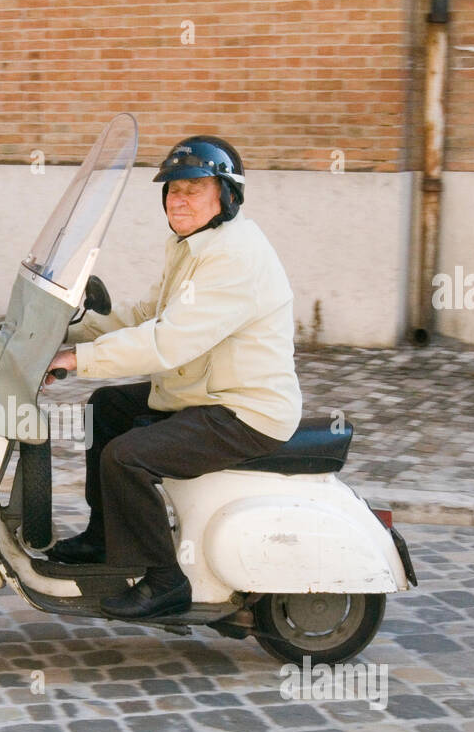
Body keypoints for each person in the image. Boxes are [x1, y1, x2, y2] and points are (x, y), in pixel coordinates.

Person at [44, 135, 302, 620]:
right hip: (204, 389)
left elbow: (168, 343)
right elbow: (149, 314)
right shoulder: (193, 245)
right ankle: (105, 539)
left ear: (225, 196)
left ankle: (165, 580)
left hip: (244, 410)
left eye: (194, 189)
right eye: (172, 190)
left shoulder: (233, 256)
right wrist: (70, 331)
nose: (178, 199)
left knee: (127, 457)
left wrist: (78, 360)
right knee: (107, 407)